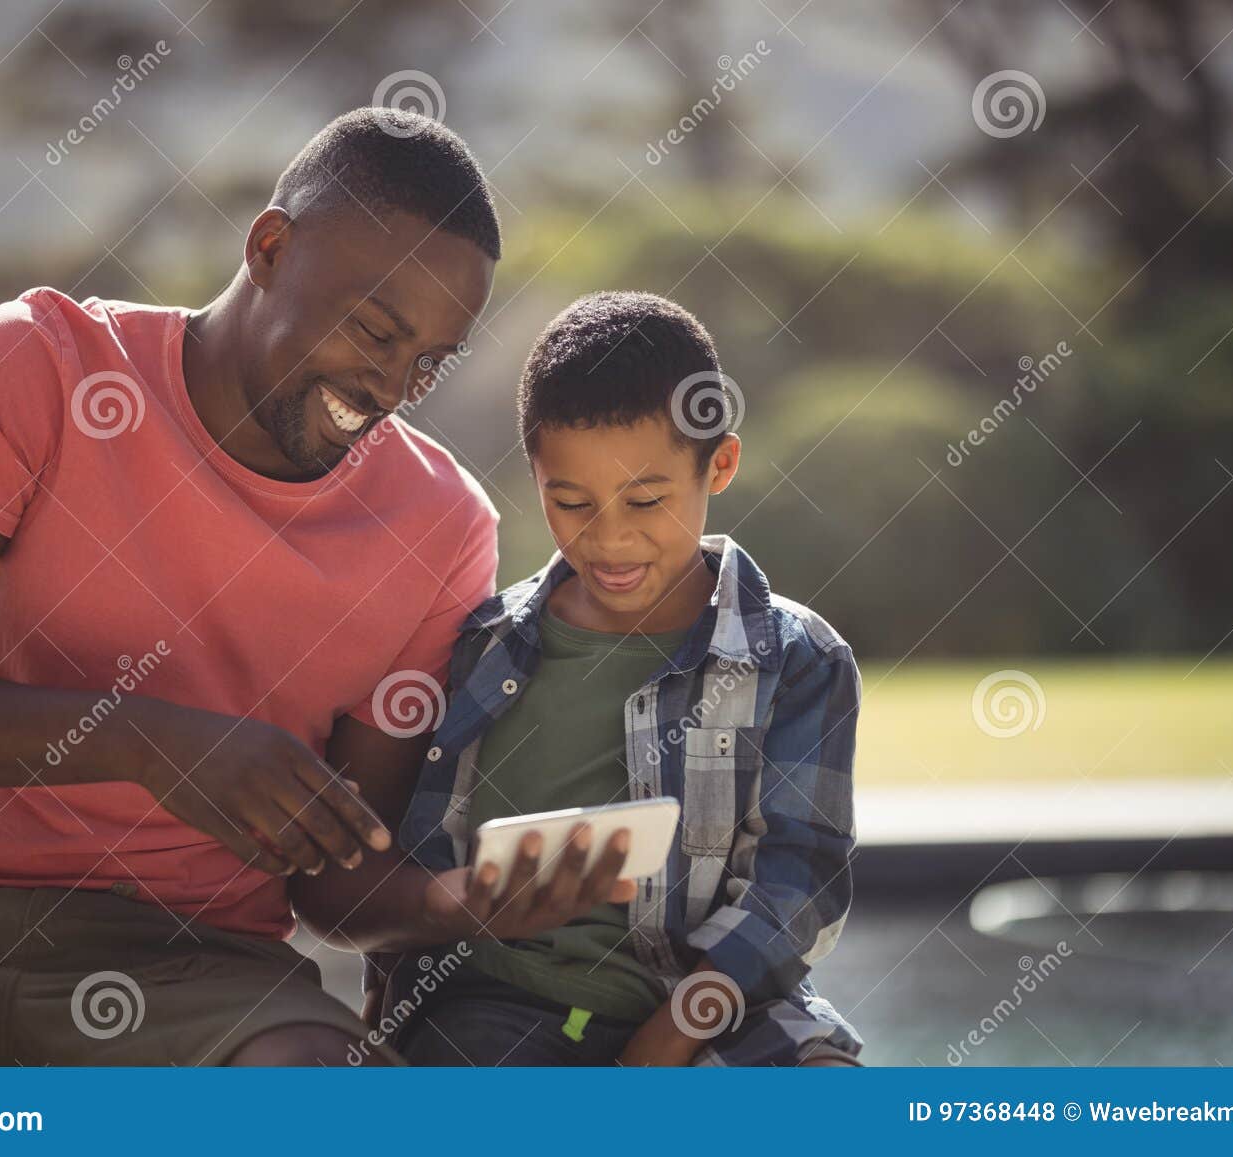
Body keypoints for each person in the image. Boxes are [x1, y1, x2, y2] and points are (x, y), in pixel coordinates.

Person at [0, 108, 629, 1067]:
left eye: (429, 361)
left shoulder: (441, 527)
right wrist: (145, 744)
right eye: (375, 331)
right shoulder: (36, 368)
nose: (390, 384)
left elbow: (334, 879)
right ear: (269, 247)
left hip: (199, 978)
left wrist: (459, 901)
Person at [368, 292, 865, 1066]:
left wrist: (663, 1043)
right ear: (534, 475)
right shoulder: (483, 644)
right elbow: (418, 855)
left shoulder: (798, 658)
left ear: (719, 463)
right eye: (571, 502)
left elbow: (796, 891)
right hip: (501, 1007)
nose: (611, 538)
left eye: (646, 500)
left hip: (713, 1009)